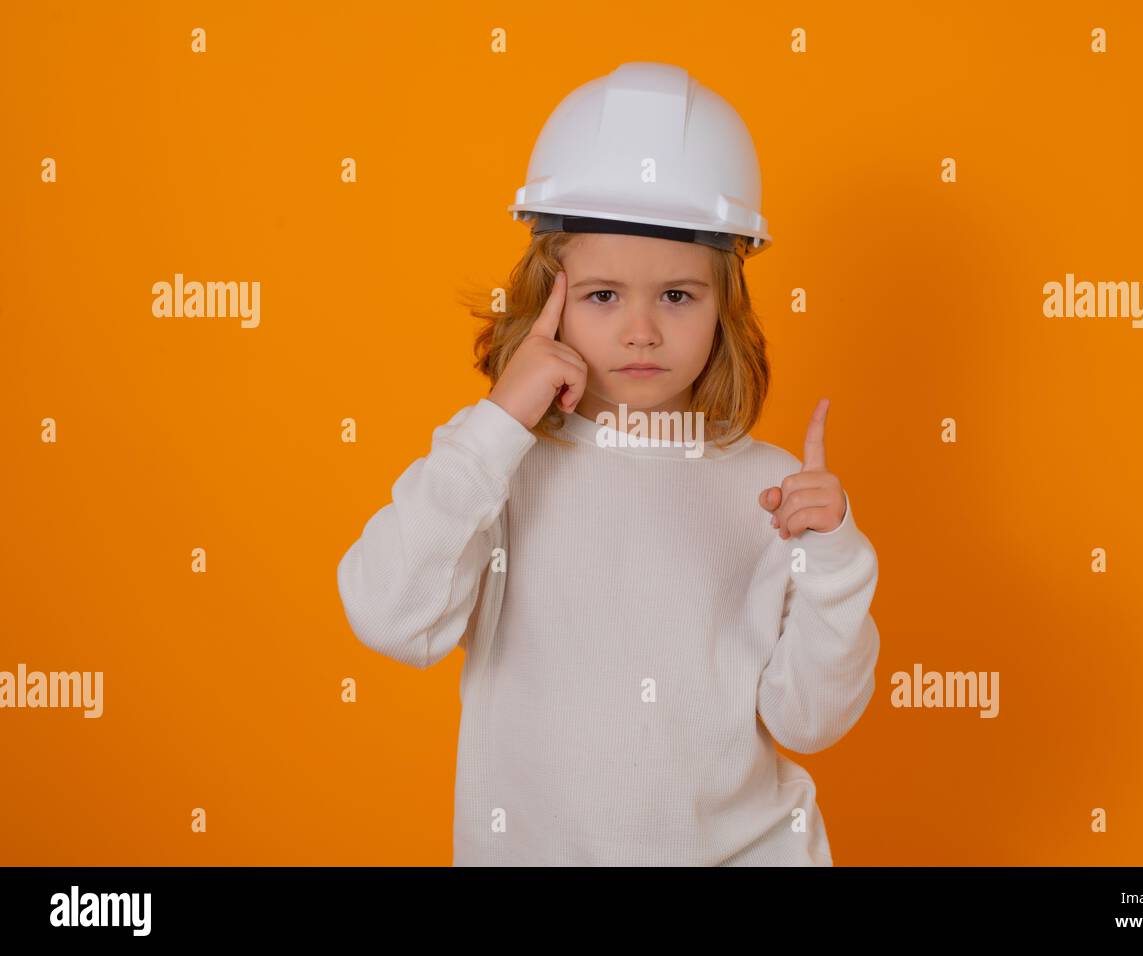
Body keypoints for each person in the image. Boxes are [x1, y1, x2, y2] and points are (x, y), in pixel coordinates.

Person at [336, 62, 881, 866]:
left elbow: (809, 721)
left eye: (677, 296)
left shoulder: (764, 490)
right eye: (601, 296)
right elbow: (390, 617)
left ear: (725, 304)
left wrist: (834, 561)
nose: (640, 332)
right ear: (545, 297)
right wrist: (495, 426)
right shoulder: (498, 466)